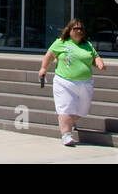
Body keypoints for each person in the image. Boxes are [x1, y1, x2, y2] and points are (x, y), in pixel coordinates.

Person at [38, 18, 105, 146]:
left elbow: (95, 57)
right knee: (65, 108)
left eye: (81, 29)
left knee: (83, 110)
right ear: (69, 30)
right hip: (64, 82)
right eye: (76, 28)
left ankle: (67, 123)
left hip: (85, 83)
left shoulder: (87, 45)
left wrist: (99, 62)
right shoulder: (61, 42)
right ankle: (66, 135)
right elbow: (49, 55)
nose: (79, 31)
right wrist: (43, 68)